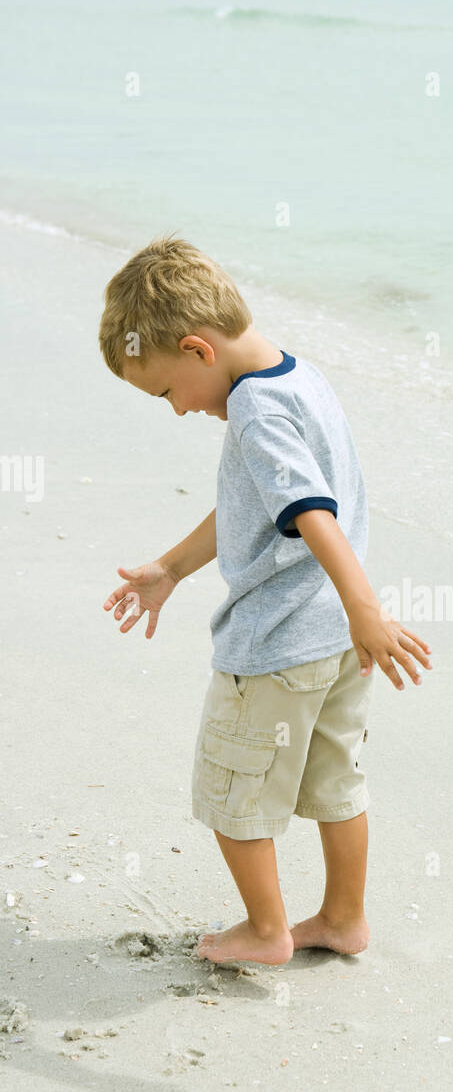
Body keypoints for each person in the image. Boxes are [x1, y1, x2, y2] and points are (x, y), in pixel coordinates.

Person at [98, 235, 432, 966]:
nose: (177, 411)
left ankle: (265, 931)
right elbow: (255, 498)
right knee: (336, 781)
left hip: (279, 644)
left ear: (196, 350)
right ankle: (344, 920)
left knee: (231, 793)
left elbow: (309, 510)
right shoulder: (299, 376)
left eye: (164, 393)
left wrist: (366, 606)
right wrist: (172, 568)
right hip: (335, 646)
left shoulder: (253, 411)